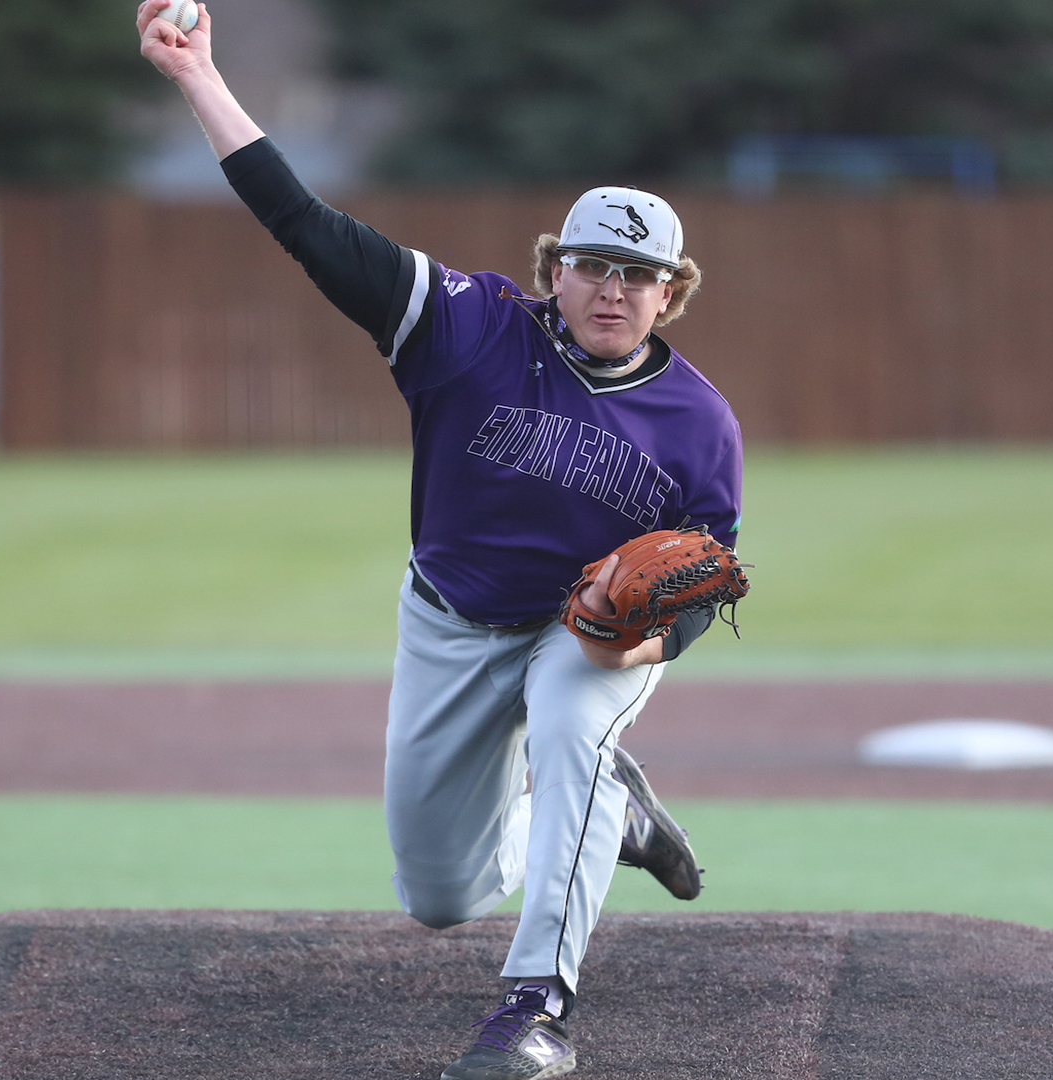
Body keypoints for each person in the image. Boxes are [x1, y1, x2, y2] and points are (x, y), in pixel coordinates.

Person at [137, 6, 743, 1079]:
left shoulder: (699, 422)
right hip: (451, 623)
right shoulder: (467, 326)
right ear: (554, 269)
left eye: (637, 273)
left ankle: (536, 1012)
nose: (612, 288)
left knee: (573, 727)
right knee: (439, 895)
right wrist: (199, 78)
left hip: (580, 634)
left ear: (671, 291)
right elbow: (304, 221)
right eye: (592, 264)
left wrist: (657, 640)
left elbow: (706, 570)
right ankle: (617, 814)